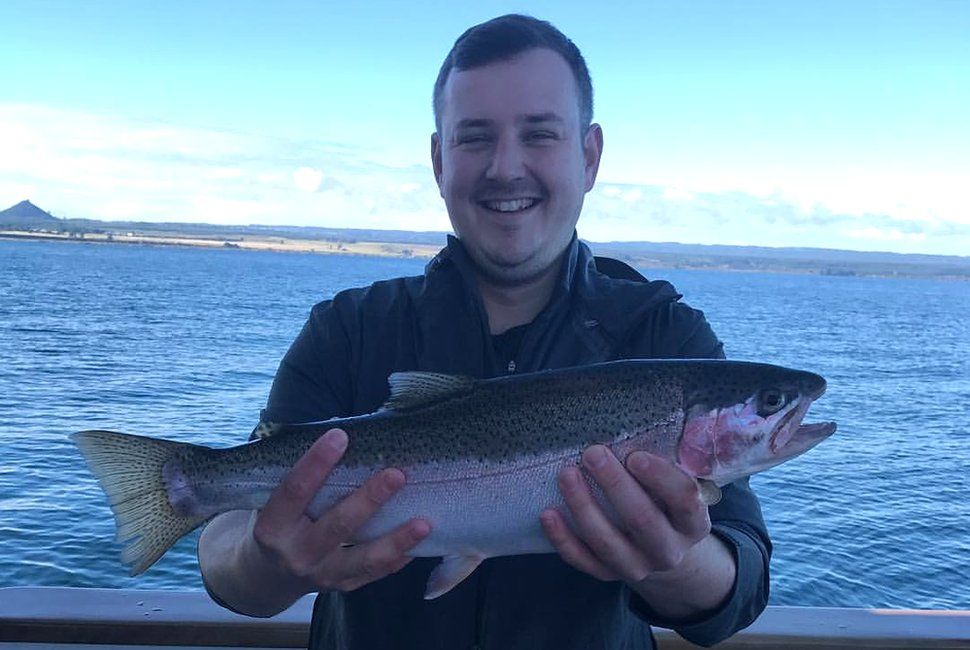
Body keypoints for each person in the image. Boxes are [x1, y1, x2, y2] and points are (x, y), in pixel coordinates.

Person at [198, 14, 770, 649]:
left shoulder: (666, 336)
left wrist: (676, 564)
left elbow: (739, 585)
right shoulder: (347, 330)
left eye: (539, 135)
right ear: (440, 160)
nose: (506, 167)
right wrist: (264, 563)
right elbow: (230, 547)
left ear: (589, 155)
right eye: (475, 138)